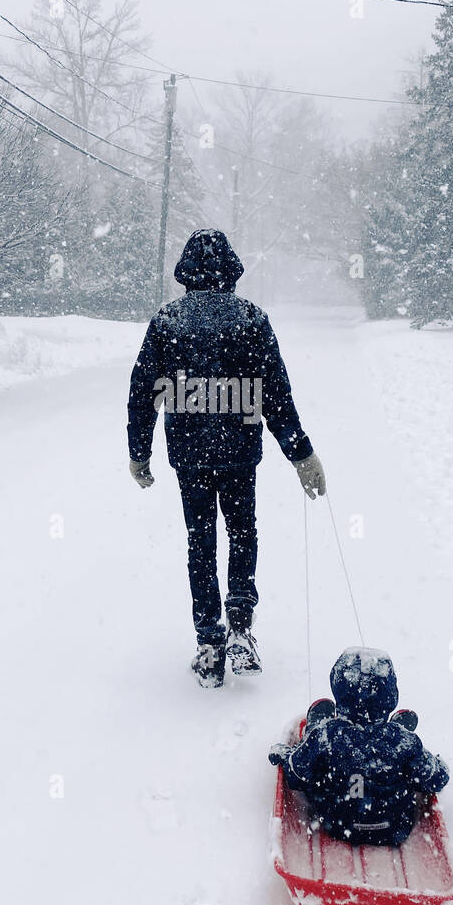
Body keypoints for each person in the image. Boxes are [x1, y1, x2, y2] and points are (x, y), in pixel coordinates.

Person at [127, 228, 325, 687]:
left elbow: (142, 393)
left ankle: (208, 643)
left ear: (186, 271)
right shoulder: (252, 320)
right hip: (238, 453)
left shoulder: (167, 322)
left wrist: (140, 453)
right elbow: (276, 394)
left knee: (200, 541)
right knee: (241, 532)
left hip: (190, 455)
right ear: (231, 269)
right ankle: (239, 626)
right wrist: (301, 454)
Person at [268, 648, 450, 846]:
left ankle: (314, 724)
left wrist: (287, 757)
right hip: (394, 827)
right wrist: (428, 763)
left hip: (337, 823)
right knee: (399, 756)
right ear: (391, 697)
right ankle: (388, 728)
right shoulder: (404, 742)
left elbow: (297, 776)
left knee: (318, 755)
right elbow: (437, 780)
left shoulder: (328, 735)